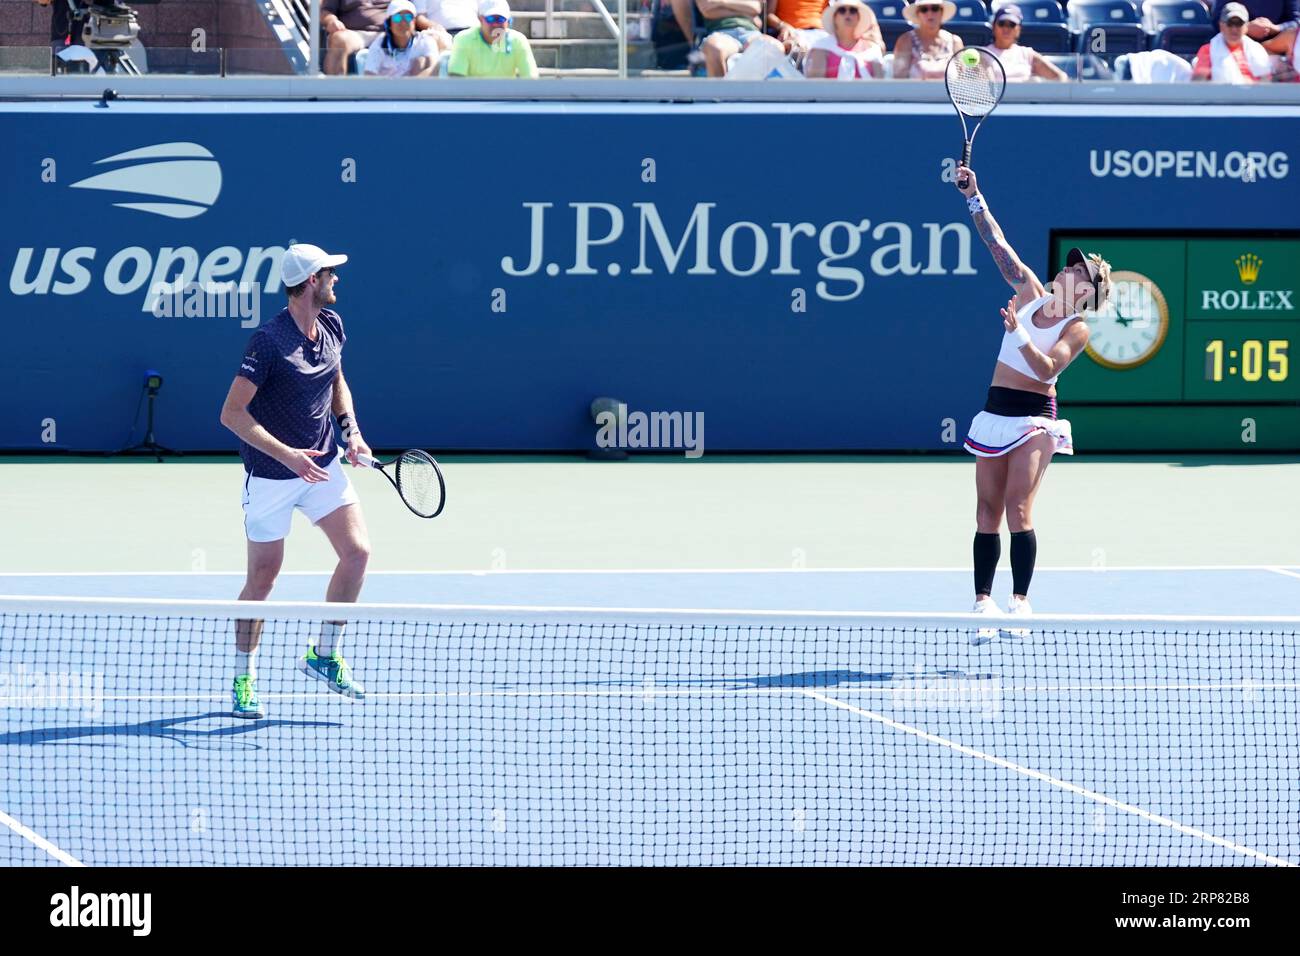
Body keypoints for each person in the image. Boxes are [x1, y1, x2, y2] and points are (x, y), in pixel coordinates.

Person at [219, 243, 373, 718]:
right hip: (271, 475)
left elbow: (335, 381)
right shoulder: (267, 342)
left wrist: (352, 433)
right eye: (330, 274)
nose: (336, 280)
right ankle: (244, 676)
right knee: (262, 581)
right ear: (311, 281)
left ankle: (323, 654)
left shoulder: (331, 326)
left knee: (357, 552)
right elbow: (232, 415)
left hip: (323, 464)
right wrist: (288, 456)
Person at [954, 166, 1112, 627]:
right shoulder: (1028, 291)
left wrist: (1019, 333)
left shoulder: (1076, 329)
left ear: (1086, 290)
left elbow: (1046, 369)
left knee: (1018, 506)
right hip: (996, 411)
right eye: (1070, 264)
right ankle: (983, 601)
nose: (1066, 268)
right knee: (986, 509)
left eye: (1076, 270)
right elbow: (996, 244)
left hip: (1035, 421)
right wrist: (974, 196)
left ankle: (1019, 600)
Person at [447, 0, 538, 77]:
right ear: (481, 19)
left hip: (507, 97)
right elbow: (457, 82)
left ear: (508, 21)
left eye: (500, 19)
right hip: (472, 97)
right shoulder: (463, 39)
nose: (495, 24)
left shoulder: (518, 41)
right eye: (491, 19)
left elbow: (531, 79)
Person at [695, 0, 786, 76]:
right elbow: (707, 10)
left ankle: (751, 94)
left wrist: (721, 2)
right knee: (714, 48)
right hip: (722, 33)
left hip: (751, 34)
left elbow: (755, 7)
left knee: (775, 47)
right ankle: (721, 96)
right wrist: (746, 12)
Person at [768, 0, 883, 58]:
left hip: (823, 33)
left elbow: (850, 7)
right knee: (796, 49)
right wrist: (782, 25)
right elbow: (768, 15)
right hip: (795, 32)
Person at [1193, 3, 1277, 81]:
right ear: (1221, 25)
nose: (1234, 29)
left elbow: (1266, 82)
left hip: (1255, 95)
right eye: (1230, 23)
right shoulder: (1208, 50)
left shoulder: (1258, 50)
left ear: (1246, 26)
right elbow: (1198, 83)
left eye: (1239, 24)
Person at [984, 4, 1067, 81]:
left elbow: (1061, 77)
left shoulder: (1028, 54)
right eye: (1002, 24)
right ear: (994, 26)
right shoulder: (983, 54)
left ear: (1019, 29)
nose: (1006, 29)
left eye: (1012, 25)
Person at [804, 0, 885, 78]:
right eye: (842, 10)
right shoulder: (821, 48)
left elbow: (880, 86)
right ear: (834, 18)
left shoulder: (872, 50)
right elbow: (816, 87)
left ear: (858, 18)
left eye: (853, 10)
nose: (847, 13)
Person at [365, 0, 439, 75]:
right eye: (397, 18)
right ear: (389, 23)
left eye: (408, 17)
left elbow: (434, 69)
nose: (403, 22)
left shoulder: (425, 41)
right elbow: (368, 75)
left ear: (414, 22)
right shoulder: (379, 44)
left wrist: (411, 85)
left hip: (416, 85)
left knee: (421, 61)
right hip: (385, 86)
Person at [893, 0, 963, 80]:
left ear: (942, 12)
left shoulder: (955, 42)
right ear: (917, 14)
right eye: (924, 9)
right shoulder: (905, 41)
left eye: (935, 8)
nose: (930, 13)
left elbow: (964, 79)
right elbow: (899, 80)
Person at [1208, 0, 1299, 42]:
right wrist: (1245, 28)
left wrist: (1275, 28)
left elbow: (1296, 21)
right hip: (1237, 45)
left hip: (1277, 48)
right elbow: (1217, 20)